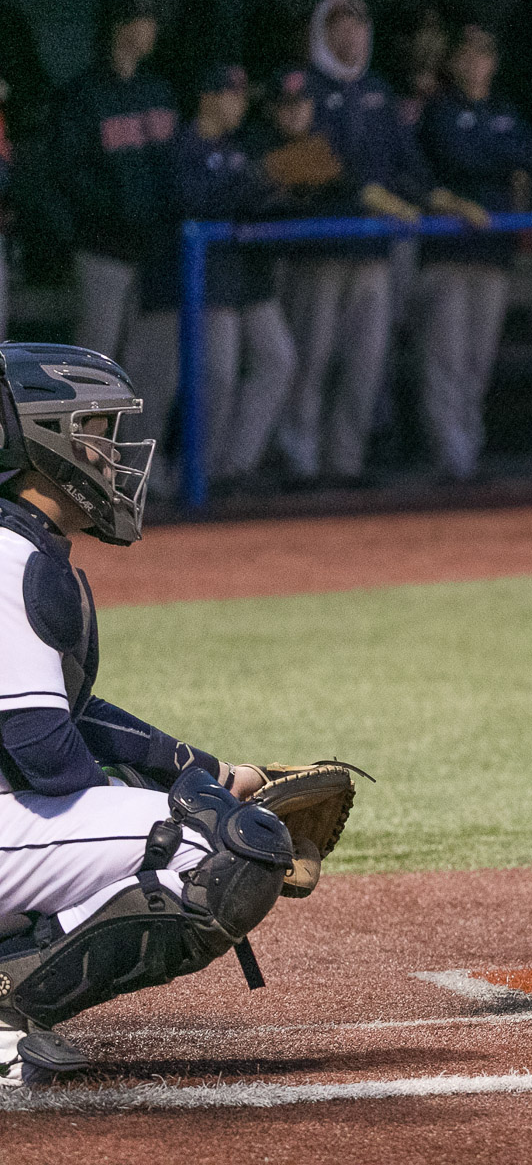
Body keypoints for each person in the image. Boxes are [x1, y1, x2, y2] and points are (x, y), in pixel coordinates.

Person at [0, 343, 288, 1085]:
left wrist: (208, 770)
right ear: (44, 440)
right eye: (96, 429)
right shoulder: (9, 557)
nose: (112, 454)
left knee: (205, 816)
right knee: (220, 847)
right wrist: (203, 803)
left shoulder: (13, 543)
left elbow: (70, 715)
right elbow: (51, 759)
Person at [280, 0, 485, 486]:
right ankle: (300, 461)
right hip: (321, 248)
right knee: (312, 357)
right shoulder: (301, 87)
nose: (350, 34)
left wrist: (438, 196)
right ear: (321, 33)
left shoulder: (378, 91)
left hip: (374, 250)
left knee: (365, 360)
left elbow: (405, 162)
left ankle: (344, 462)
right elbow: (298, 160)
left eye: (357, 24)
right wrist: (362, 193)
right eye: (339, 25)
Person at [51, 0, 178, 448]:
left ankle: (140, 468)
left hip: (156, 256)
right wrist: (100, 222)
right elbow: (66, 176)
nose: (152, 29)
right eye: (144, 19)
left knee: (153, 368)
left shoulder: (159, 92)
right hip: (104, 251)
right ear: (121, 26)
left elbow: (172, 170)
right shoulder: (83, 96)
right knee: (93, 370)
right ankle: (82, 470)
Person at [415, 20, 532, 480]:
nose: (475, 61)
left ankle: (467, 451)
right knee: (445, 359)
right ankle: (452, 457)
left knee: (477, 362)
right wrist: (498, 159)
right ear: (454, 61)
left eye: (483, 53)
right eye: (466, 53)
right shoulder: (440, 110)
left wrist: (492, 156)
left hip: (493, 253)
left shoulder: (505, 110)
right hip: (448, 253)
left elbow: (529, 153)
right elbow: (453, 155)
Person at [172, 62, 297, 488]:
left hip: (249, 278)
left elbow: (258, 201)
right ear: (209, 97)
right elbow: (192, 199)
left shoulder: (240, 149)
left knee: (278, 362)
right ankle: (199, 471)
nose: (241, 104)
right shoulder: (183, 145)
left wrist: (283, 187)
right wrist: (256, 185)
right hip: (209, 280)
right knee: (218, 377)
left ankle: (234, 464)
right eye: (233, 95)